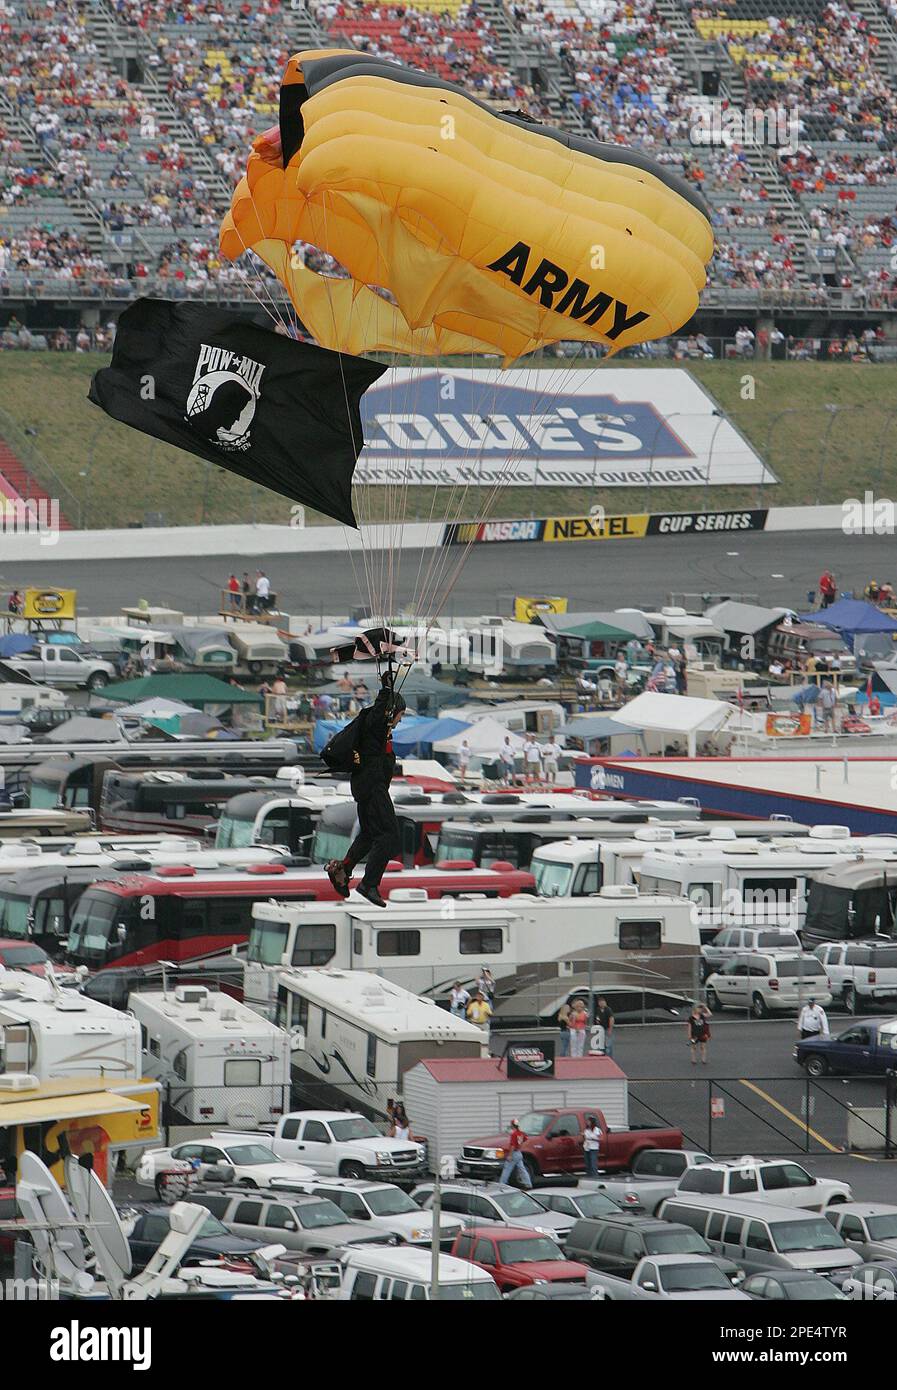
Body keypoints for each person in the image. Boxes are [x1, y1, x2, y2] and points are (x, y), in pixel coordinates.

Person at [326, 675, 406, 908]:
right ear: (392, 712)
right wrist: (386, 690)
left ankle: (344, 869)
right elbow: (381, 713)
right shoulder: (376, 723)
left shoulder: (381, 732)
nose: (400, 721)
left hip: (366, 786)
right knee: (388, 835)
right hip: (373, 787)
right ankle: (369, 884)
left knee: (370, 834)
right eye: (400, 715)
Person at [499, 1119, 532, 1189]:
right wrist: (520, 1145)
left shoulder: (514, 1134)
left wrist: (510, 1155)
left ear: (512, 1126)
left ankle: (502, 1184)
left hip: (514, 1153)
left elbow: (513, 1145)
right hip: (519, 1153)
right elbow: (526, 1139)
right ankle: (528, 1183)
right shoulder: (521, 1133)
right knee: (522, 1169)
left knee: (507, 1169)